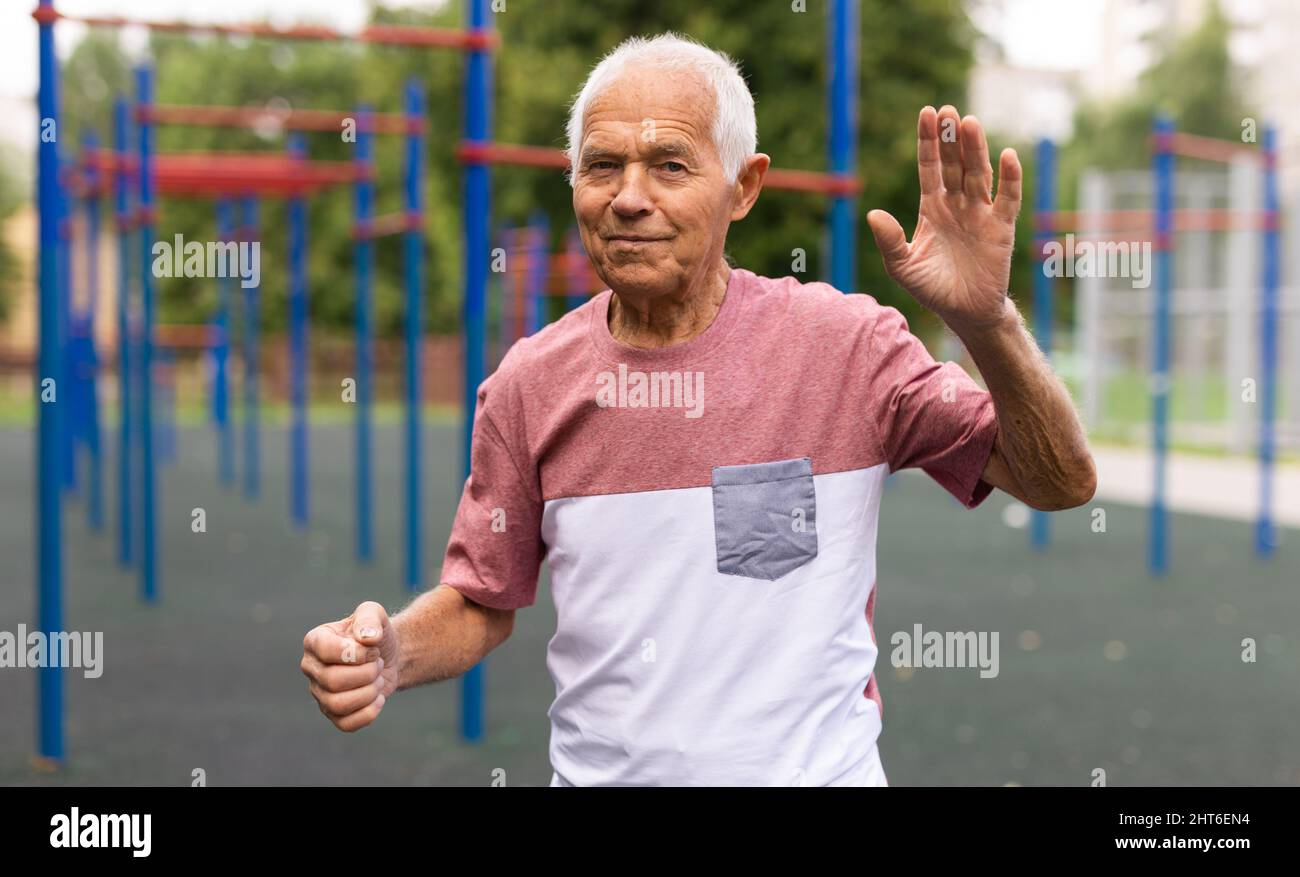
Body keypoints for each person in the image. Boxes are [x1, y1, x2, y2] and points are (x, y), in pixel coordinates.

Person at [300, 33, 1095, 786]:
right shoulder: (529, 383)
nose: (629, 198)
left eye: (669, 165)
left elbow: (1057, 480)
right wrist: (394, 650)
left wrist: (988, 322)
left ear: (743, 187)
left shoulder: (847, 347)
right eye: (602, 165)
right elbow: (480, 600)